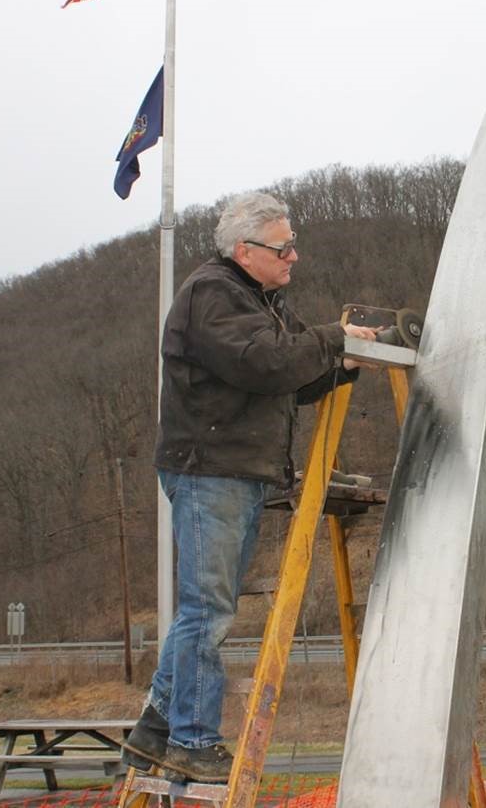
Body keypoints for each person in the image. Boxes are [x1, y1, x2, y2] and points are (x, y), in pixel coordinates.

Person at [123, 192, 377, 783]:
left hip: (234, 473)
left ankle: (156, 729)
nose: (294, 257)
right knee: (207, 611)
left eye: (293, 246)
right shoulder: (213, 295)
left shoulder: (262, 303)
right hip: (209, 471)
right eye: (283, 248)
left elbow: (288, 379)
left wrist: (342, 366)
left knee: (209, 608)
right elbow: (267, 363)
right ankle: (191, 739)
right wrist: (335, 338)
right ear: (245, 250)